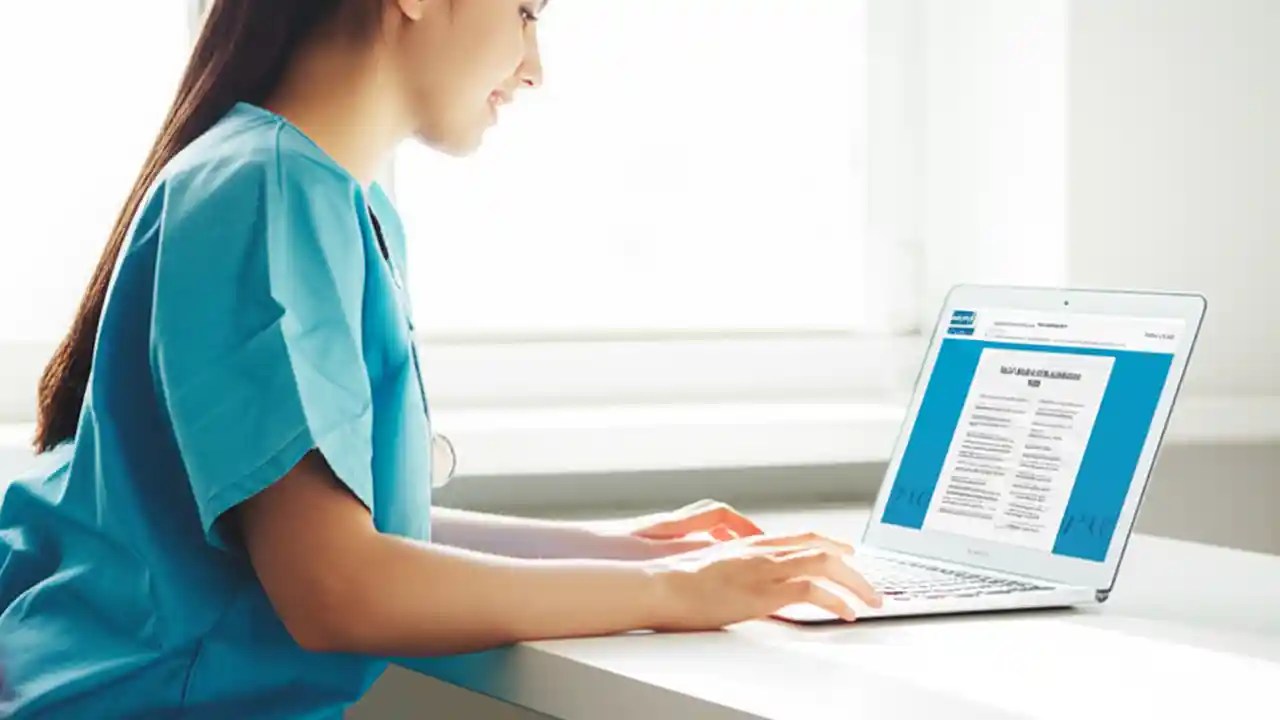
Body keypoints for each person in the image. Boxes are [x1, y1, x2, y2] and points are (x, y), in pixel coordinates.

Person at [0, 1, 881, 717]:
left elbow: (348, 526)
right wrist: (669, 592)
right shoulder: (268, 192)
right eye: (528, 13)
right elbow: (338, 587)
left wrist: (609, 548)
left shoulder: (322, 195)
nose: (535, 67)